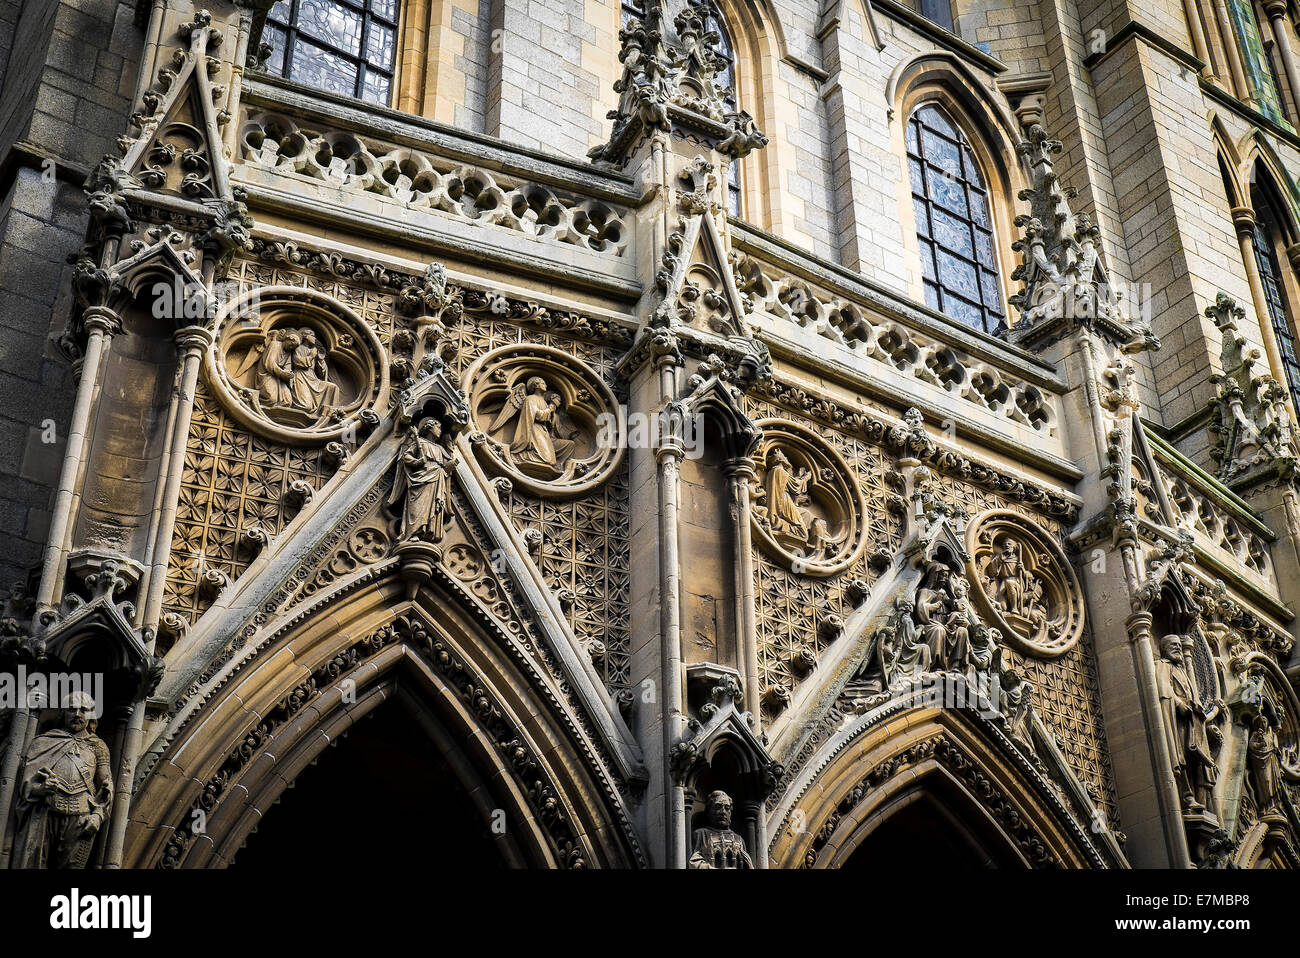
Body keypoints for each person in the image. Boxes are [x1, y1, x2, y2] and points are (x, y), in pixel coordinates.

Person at [13, 691, 113, 869]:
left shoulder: (98, 747)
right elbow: (25, 784)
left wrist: (97, 816)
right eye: (71, 709)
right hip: (45, 813)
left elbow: (106, 786)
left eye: (83, 710)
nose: (76, 715)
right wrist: (40, 788)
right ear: (62, 713)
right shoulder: (44, 742)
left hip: (80, 819)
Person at [389, 417, 455, 542]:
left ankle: (428, 530)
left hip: (436, 478)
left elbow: (446, 465)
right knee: (417, 507)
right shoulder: (419, 443)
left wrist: (450, 464)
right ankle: (413, 532)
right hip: (420, 479)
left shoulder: (440, 449)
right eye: (438, 427)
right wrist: (417, 461)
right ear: (430, 428)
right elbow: (406, 456)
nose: (440, 431)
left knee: (434, 505)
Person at [688, 790, 754, 869]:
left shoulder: (739, 840)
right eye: (718, 807)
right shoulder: (701, 834)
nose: (723, 812)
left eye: (727, 808)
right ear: (709, 810)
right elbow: (693, 863)